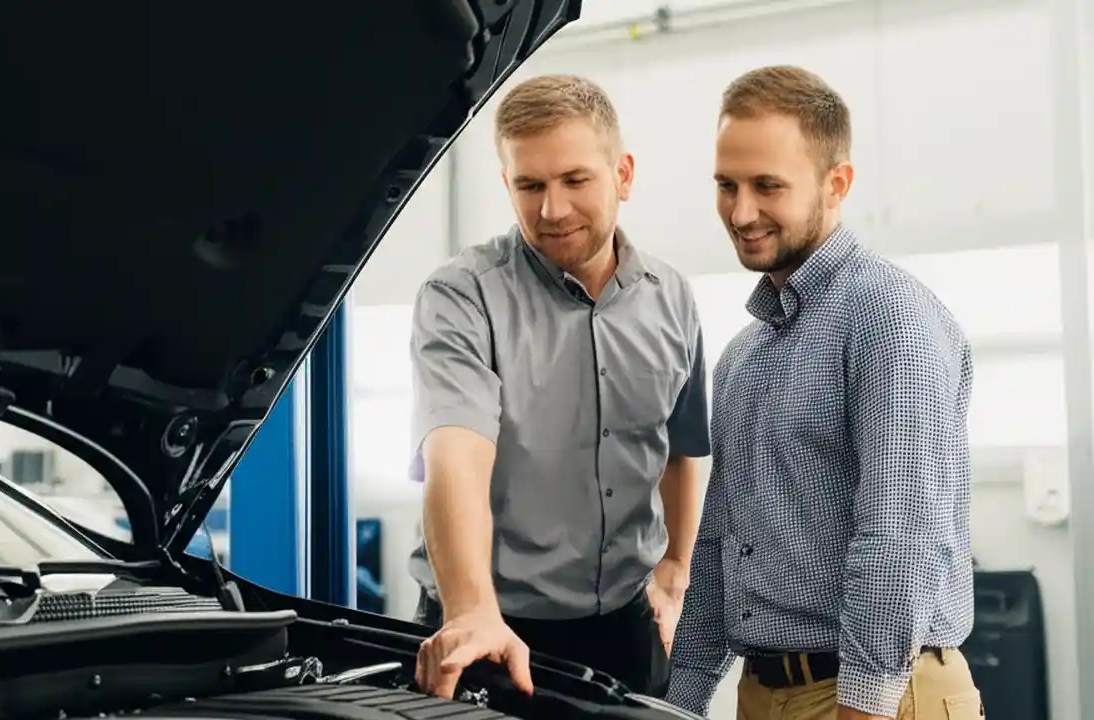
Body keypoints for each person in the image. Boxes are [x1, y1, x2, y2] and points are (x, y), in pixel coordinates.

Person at [665, 65, 981, 720]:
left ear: (837, 184)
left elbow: (899, 530)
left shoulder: (890, 319)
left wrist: (863, 705)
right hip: (766, 694)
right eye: (727, 186)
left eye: (767, 187)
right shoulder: (745, 357)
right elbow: (719, 545)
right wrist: (679, 700)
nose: (741, 212)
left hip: (884, 696)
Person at [405, 74, 711, 701]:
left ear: (622, 174)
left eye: (575, 180)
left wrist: (677, 566)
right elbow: (456, 457)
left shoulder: (672, 298)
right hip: (490, 625)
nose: (553, 210)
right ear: (506, 185)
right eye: (530, 185)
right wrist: (470, 611)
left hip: (627, 630)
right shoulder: (463, 297)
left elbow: (683, 445)